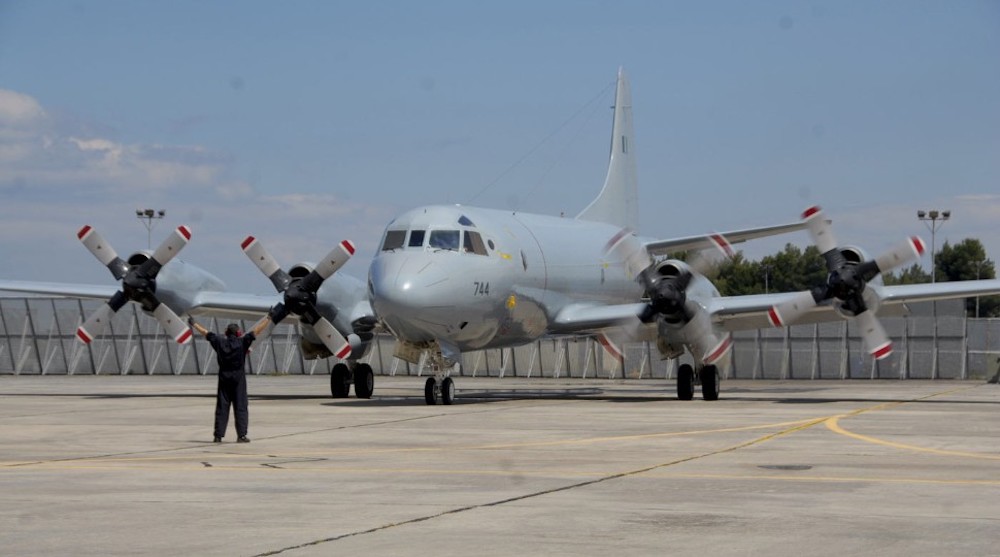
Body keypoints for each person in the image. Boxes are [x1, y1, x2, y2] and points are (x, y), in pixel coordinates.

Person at [189, 315, 271, 443]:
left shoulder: (219, 342)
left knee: (222, 407)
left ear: (226, 333)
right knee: (241, 407)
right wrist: (269, 318)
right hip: (238, 380)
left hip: (224, 379)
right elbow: (257, 331)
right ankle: (241, 435)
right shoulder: (243, 342)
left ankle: (218, 435)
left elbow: (206, 333)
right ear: (238, 333)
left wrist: (194, 324)